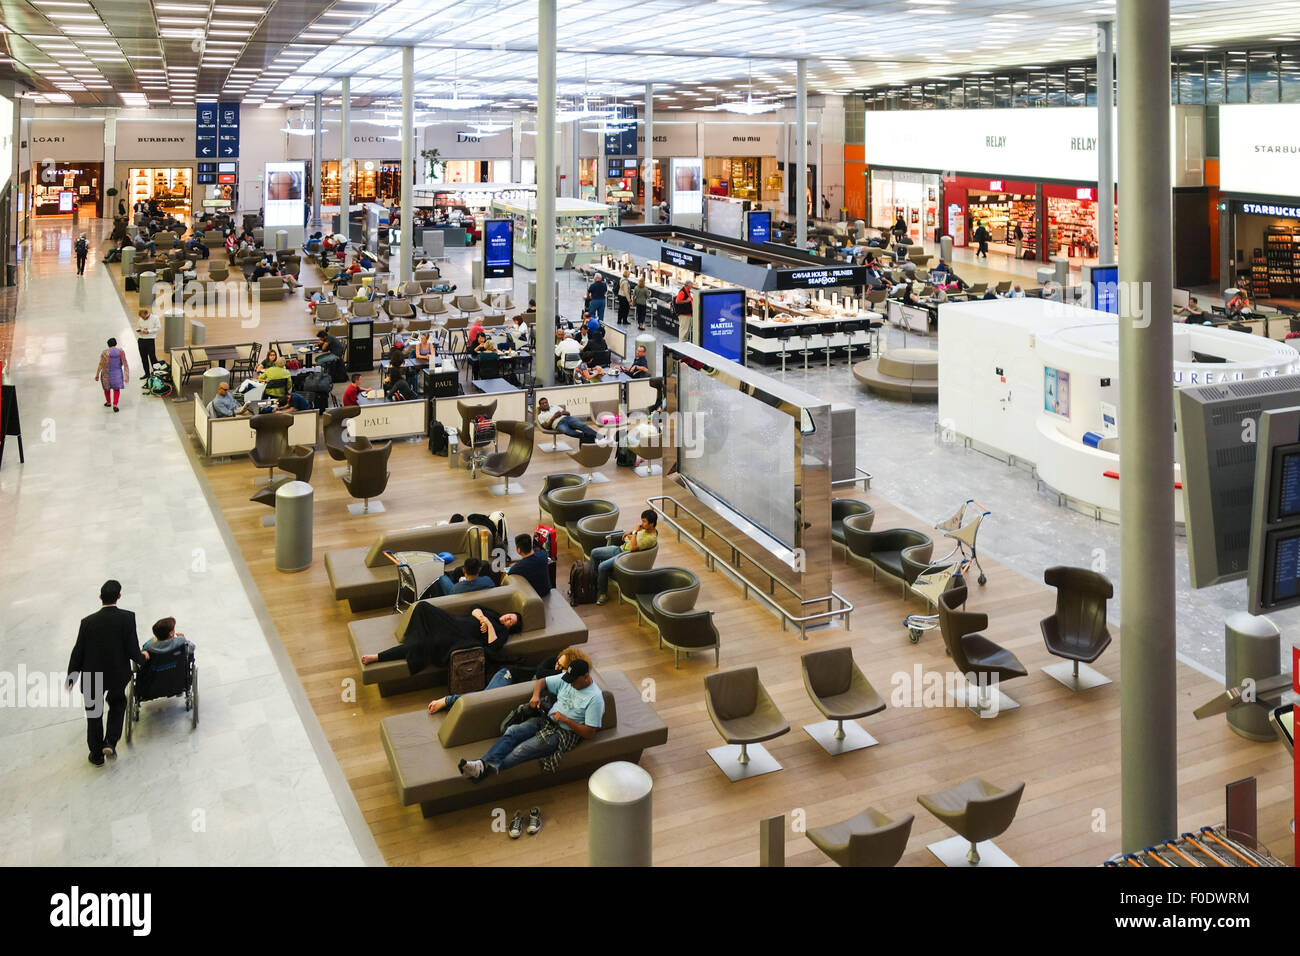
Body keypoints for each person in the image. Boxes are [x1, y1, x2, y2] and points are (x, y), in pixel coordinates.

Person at [457, 656, 603, 782]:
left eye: (574, 681)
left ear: (585, 677)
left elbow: (590, 733)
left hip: (563, 734)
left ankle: (482, 768)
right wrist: (536, 695)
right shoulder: (569, 679)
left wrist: (567, 720)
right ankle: (482, 765)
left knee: (521, 750)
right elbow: (542, 681)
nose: (570, 683)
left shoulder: (595, 698)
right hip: (547, 719)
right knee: (513, 731)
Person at [65, 580, 149, 765]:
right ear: (119, 597)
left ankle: (96, 755)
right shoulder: (127, 618)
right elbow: (132, 649)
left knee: (94, 714)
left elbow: (78, 651)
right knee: (118, 705)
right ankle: (110, 741)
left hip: (92, 677)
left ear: (100, 597)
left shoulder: (87, 622)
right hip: (117, 675)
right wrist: (143, 658)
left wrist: (72, 677)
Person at [359, 602, 522, 674]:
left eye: (510, 621)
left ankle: (378, 657)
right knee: (422, 607)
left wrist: (488, 624)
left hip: (459, 638)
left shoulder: (502, 632)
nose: (507, 618)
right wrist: (482, 619)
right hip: (453, 621)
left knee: (422, 644)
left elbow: (492, 646)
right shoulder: (494, 614)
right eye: (509, 615)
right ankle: (416, 637)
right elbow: (475, 608)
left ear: (510, 627)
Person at [592, 509, 658, 605]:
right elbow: (636, 538)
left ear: (651, 524)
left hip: (624, 556)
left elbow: (633, 548)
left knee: (602, 566)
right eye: (642, 521)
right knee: (594, 552)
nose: (642, 524)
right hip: (620, 549)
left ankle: (602, 593)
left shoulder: (651, 538)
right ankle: (594, 582)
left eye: (644, 521)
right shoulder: (646, 529)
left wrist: (634, 532)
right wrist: (631, 532)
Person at [503, 533, 551, 598]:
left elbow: (506, 580)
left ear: (518, 550)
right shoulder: (543, 554)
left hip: (533, 597)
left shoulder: (517, 568)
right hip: (547, 590)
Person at [536, 396, 600, 444]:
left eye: (546, 402)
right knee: (567, 431)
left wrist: (561, 413)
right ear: (540, 406)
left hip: (567, 418)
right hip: (558, 424)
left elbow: (568, 413)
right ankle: (584, 436)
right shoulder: (540, 416)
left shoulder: (555, 407)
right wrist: (553, 418)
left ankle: (600, 437)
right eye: (543, 403)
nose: (545, 404)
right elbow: (546, 426)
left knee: (582, 425)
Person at [96, 337, 129, 412]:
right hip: (117, 372)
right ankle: (115, 404)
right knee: (116, 389)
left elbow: (101, 364)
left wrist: (97, 374)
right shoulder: (120, 351)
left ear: (108, 345)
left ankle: (108, 402)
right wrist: (126, 375)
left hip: (106, 373)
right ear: (116, 344)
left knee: (106, 388)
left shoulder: (105, 353)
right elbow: (125, 363)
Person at [134, 308, 159, 381]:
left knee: (152, 357)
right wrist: (140, 330)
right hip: (141, 340)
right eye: (141, 317)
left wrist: (148, 331)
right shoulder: (140, 319)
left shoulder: (155, 318)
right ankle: (147, 373)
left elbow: (157, 328)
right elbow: (138, 327)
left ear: (146, 314)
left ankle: (156, 373)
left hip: (150, 340)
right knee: (143, 358)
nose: (142, 318)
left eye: (143, 317)